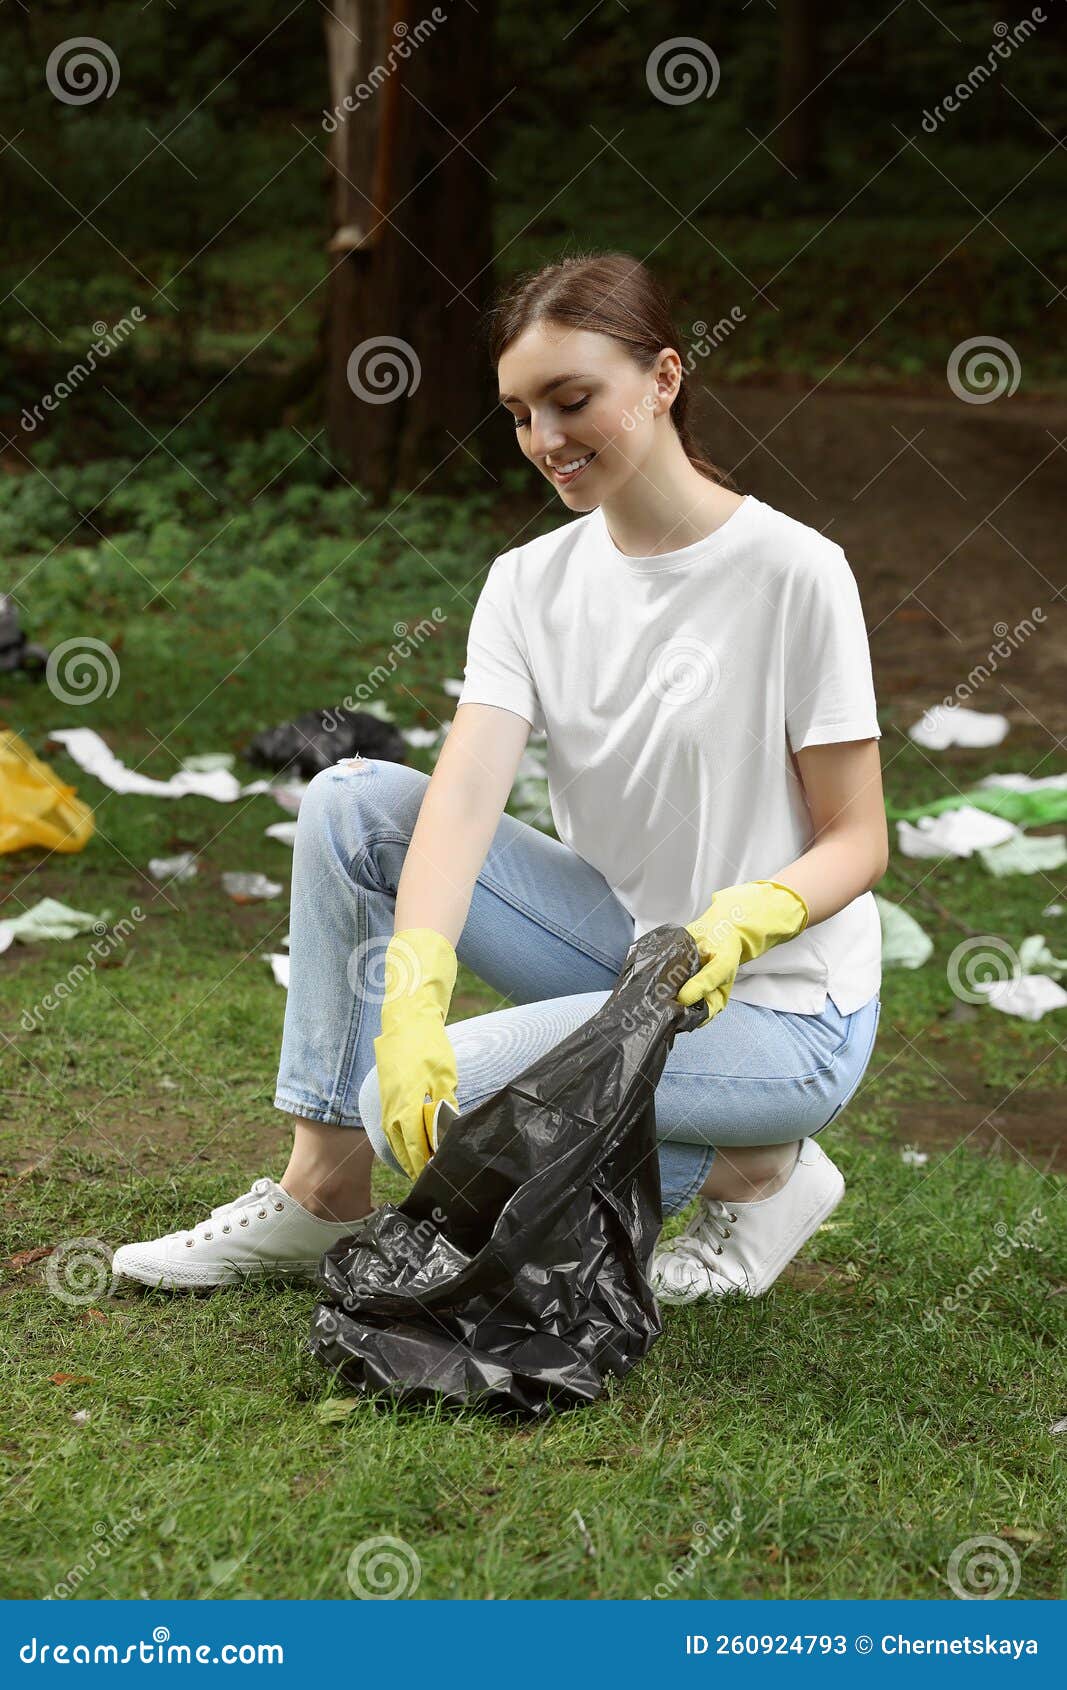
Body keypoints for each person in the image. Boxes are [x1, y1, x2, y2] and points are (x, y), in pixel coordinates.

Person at [113, 251, 888, 1304]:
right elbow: (462, 795)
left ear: (663, 379)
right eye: (520, 414)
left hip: (782, 1006)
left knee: (462, 1109)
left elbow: (858, 835)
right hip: (629, 946)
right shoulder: (527, 583)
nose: (544, 442)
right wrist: (413, 993)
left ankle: (758, 1165)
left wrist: (749, 915)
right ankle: (320, 1190)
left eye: (572, 402)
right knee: (350, 801)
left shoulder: (794, 572)